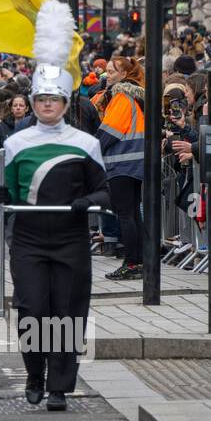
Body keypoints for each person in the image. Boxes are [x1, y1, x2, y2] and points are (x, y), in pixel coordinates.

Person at [0, 64, 110, 412]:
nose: (47, 105)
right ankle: (34, 373)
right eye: (41, 99)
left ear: (65, 103)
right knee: (32, 308)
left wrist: (87, 203)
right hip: (28, 239)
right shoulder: (15, 143)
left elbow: (105, 193)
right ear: (32, 102)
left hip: (70, 238)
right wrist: (2, 197)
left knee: (67, 311)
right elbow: (12, 195)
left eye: (54, 99)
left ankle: (59, 386)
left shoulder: (86, 144)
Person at [96, 56, 146, 279]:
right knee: (133, 213)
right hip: (134, 162)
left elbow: (109, 132)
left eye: (112, 71)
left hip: (122, 163)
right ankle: (140, 261)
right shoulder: (133, 97)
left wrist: (90, 149)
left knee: (125, 214)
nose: (107, 76)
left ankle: (133, 262)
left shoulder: (121, 96)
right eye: (106, 71)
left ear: (124, 75)